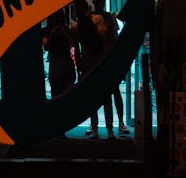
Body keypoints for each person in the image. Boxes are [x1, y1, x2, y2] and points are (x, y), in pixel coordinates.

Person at [72, 0, 114, 139]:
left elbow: (79, 46)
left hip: (91, 62)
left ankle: (102, 128)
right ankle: (106, 129)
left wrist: (79, 64)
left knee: (96, 97)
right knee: (103, 96)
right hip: (97, 61)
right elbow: (102, 39)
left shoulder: (80, 24)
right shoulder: (93, 20)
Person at [91, 0, 130, 136]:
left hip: (103, 58)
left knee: (111, 93)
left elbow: (114, 36)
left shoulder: (106, 17)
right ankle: (111, 124)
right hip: (101, 58)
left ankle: (117, 122)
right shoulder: (103, 17)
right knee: (111, 93)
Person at [43, 9, 77, 105]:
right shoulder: (48, 31)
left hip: (62, 66)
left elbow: (70, 44)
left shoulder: (65, 30)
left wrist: (63, 33)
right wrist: (52, 35)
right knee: (58, 97)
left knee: (63, 97)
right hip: (57, 66)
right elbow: (46, 47)